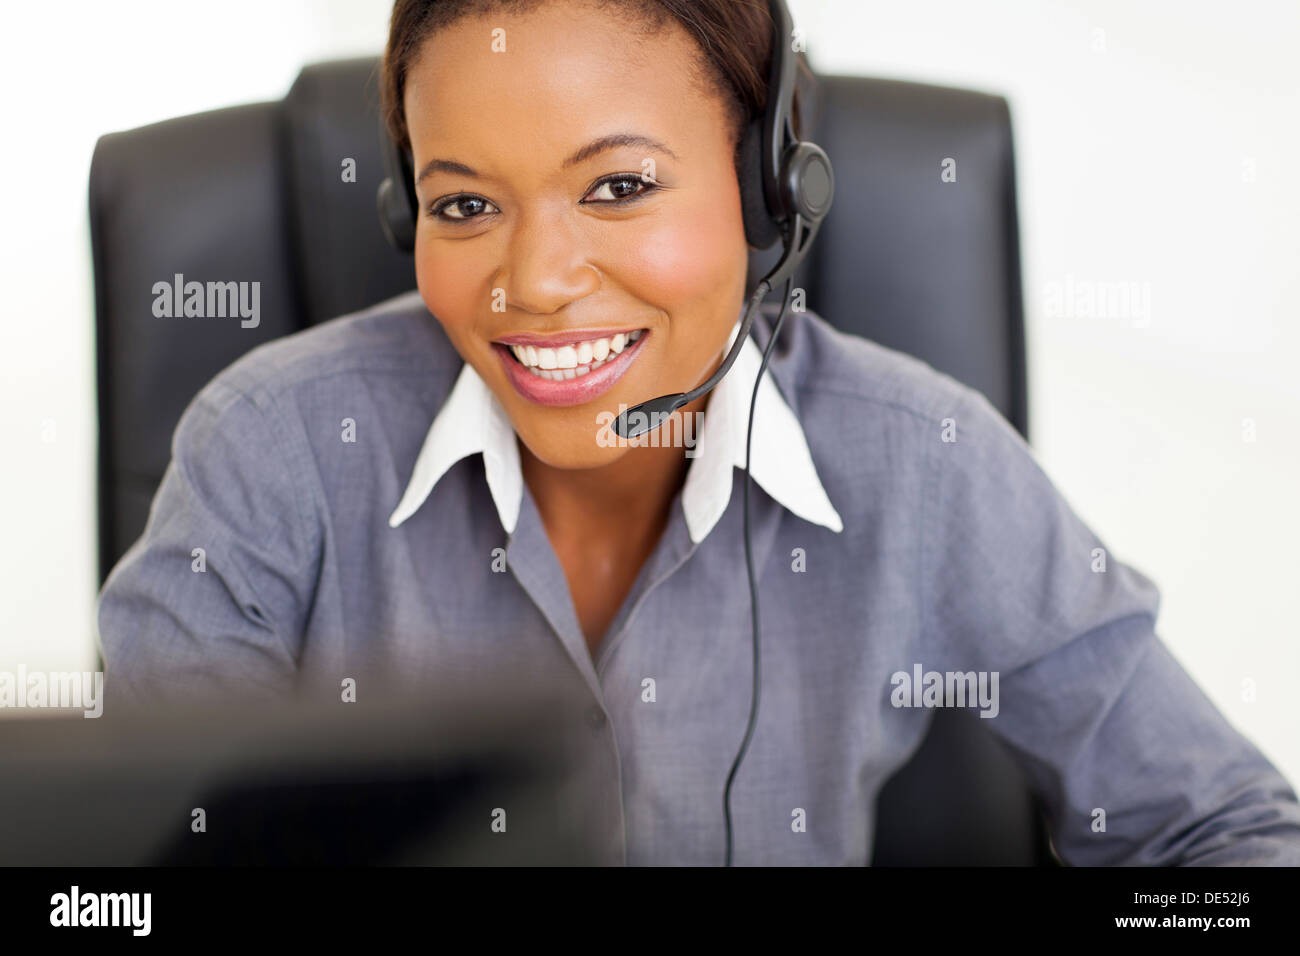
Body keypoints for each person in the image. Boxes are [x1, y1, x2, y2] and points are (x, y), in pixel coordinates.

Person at [96, 0, 1300, 866]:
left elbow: (1223, 831)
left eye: (618, 186)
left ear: (770, 192)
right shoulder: (272, 448)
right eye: (465, 204)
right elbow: (117, 878)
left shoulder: (920, 461)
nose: (537, 281)